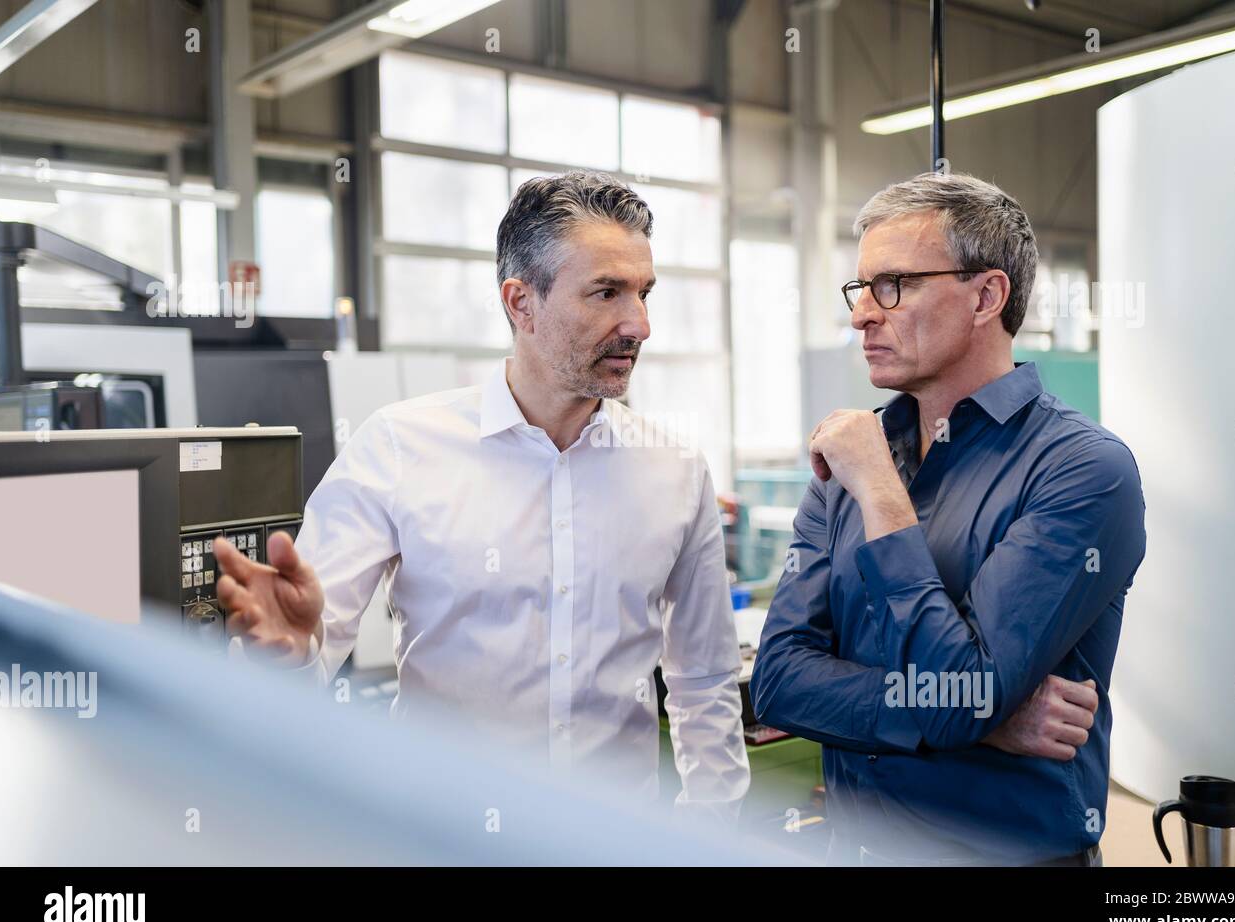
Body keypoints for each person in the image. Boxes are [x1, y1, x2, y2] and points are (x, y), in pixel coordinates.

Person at [213, 171, 749, 819]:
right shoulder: (400, 448)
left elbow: (705, 680)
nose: (638, 325)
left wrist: (713, 830)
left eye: (643, 293)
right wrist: (293, 654)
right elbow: (312, 647)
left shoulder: (675, 471)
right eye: (606, 292)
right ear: (521, 303)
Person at [751, 171, 1146, 865]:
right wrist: (989, 722)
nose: (862, 314)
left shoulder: (1082, 470)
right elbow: (780, 680)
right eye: (860, 288)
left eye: (894, 285)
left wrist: (879, 492)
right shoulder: (852, 453)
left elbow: (954, 702)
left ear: (986, 296)